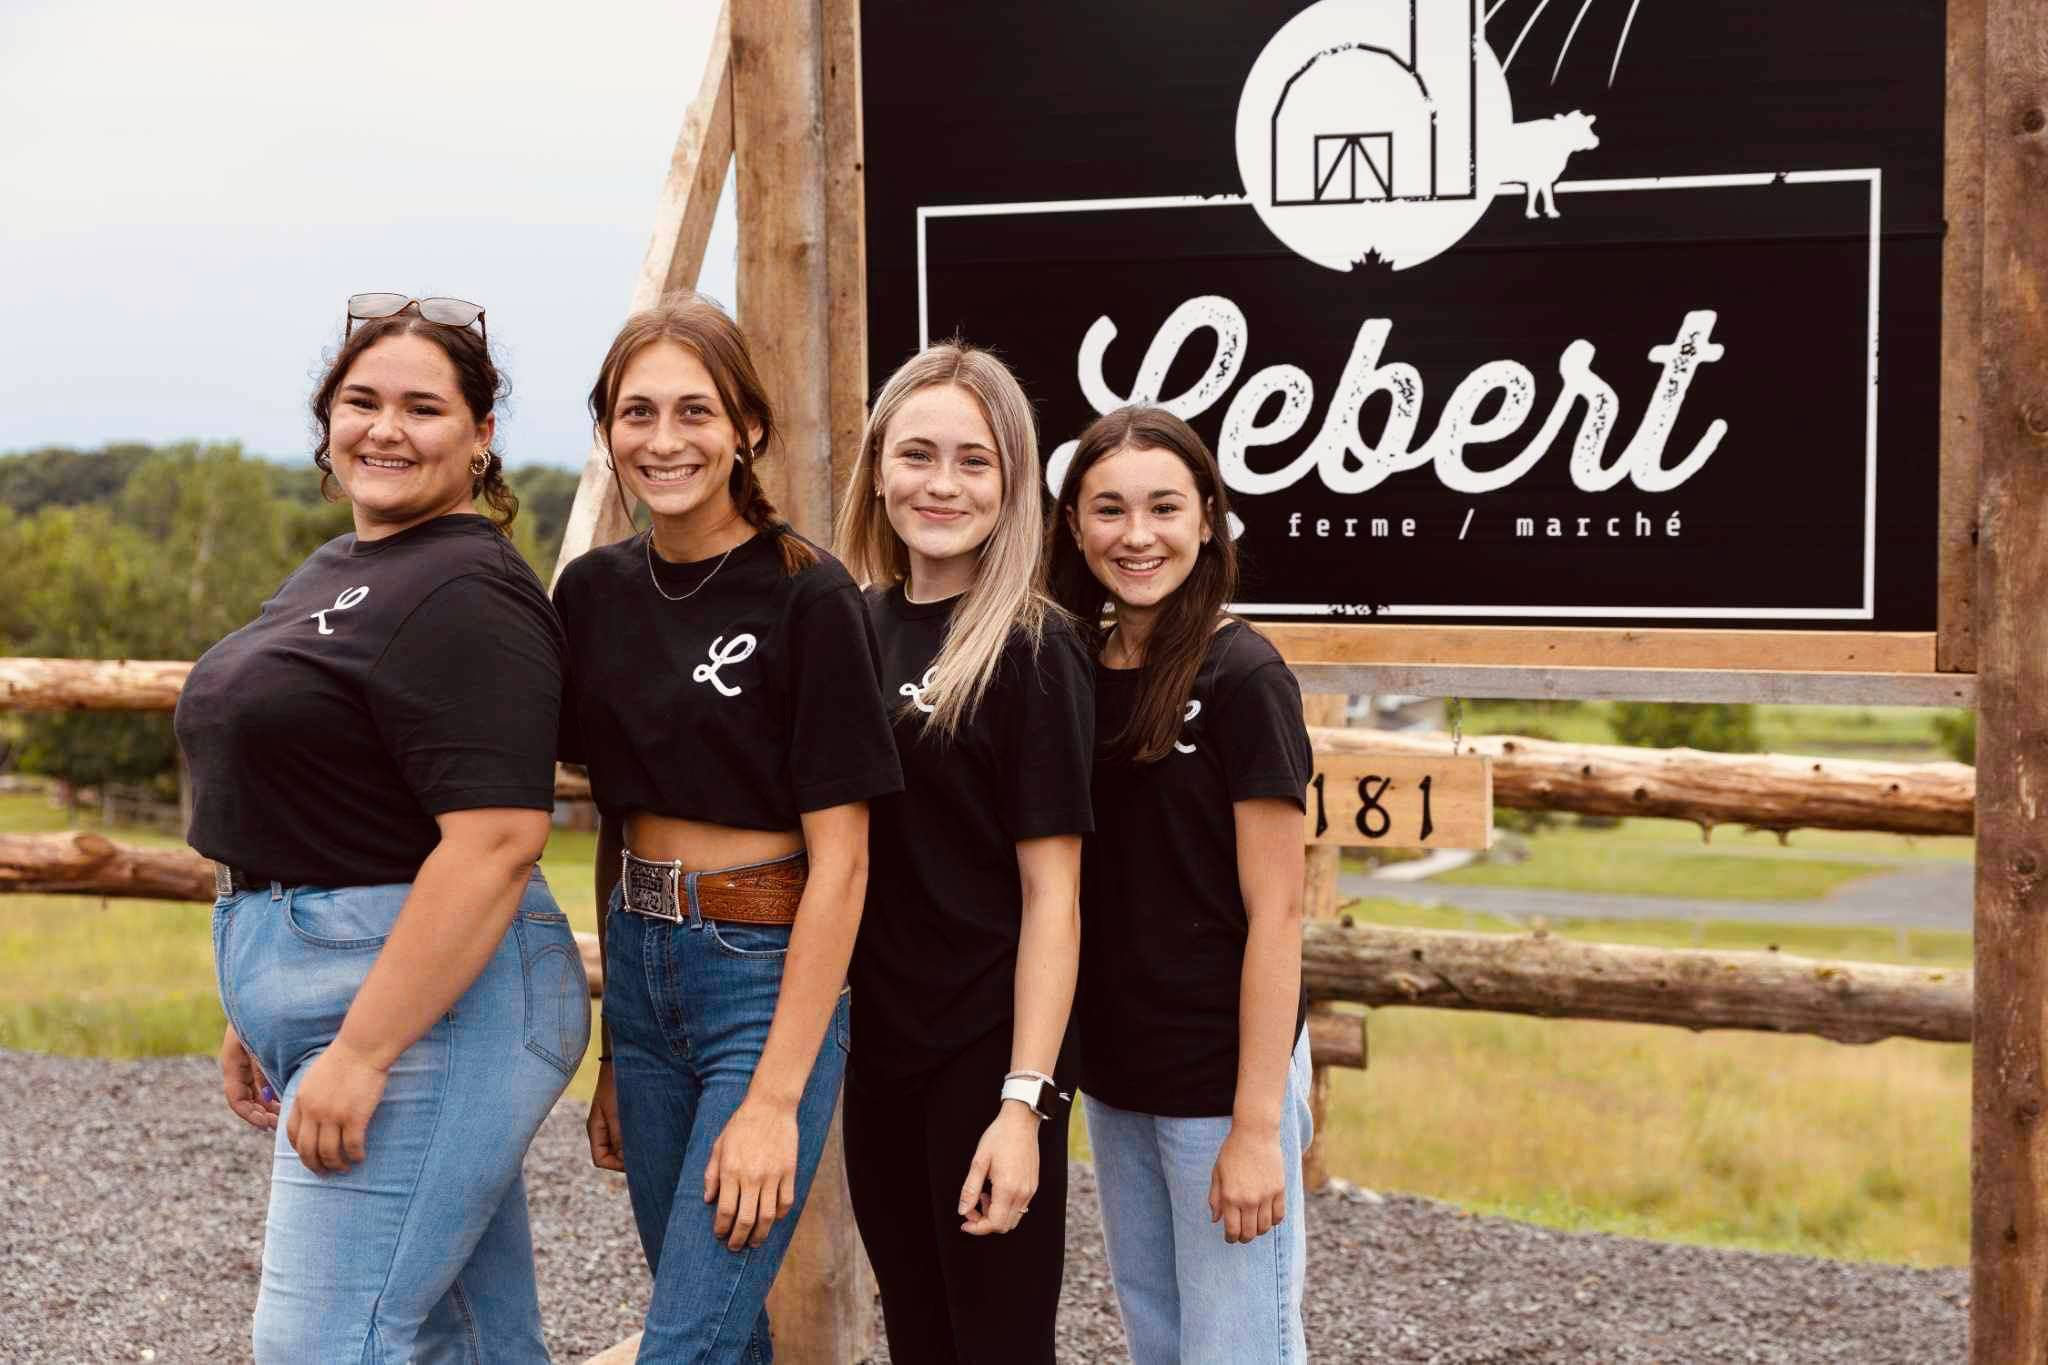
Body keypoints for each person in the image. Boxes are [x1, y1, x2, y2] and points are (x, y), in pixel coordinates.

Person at [177, 293, 582, 1362]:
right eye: (360, 401)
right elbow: (325, 796)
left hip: (433, 1013)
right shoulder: (342, 568)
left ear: (481, 437)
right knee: (464, 1344)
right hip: (349, 987)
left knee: (323, 1344)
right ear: (326, 420)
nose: (385, 429)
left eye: (422, 407)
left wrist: (358, 1050)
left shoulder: (468, 590)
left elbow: (496, 842)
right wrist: (259, 1003)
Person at [554, 292, 902, 1362]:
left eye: (694, 412)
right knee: (717, 1330)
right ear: (608, 427)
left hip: (760, 973)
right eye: (637, 413)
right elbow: (616, 820)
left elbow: (843, 863)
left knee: (680, 1343)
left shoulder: (810, 596)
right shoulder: (593, 592)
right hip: (643, 974)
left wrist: (775, 1101)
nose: (664, 441)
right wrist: (615, 1048)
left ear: (746, 428)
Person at [832, 342, 1093, 1363]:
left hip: (988, 1054)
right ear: (877, 468)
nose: (941, 484)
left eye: (973, 461)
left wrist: (1023, 1104)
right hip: (879, 1047)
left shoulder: (1034, 647)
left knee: (996, 1342)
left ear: (1012, 484)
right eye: (918, 454)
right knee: (917, 1334)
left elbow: (1054, 896)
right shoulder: (849, 627)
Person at [1048, 405, 1315, 1365]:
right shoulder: (1070, 669)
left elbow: (1278, 915)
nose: (1137, 535)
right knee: (1157, 1337)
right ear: (1075, 526)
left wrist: (1255, 1126)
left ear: (1209, 517)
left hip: (1223, 1077)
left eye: (1164, 507)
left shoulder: (1246, 677)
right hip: (1118, 1077)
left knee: (1238, 1347)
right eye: (1109, 509)